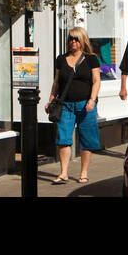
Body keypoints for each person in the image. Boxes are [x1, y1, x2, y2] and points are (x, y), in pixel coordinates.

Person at [45, 26, 101, 184]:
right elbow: (56, 82)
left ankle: (83, 172)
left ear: (83, 40)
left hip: (85, 105)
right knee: (63, 139)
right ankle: (63, 173)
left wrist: (92, 99)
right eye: (71, 38)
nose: (73, 41)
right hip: (66, 105)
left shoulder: (91, 59)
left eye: (76, 39)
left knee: (87, 140)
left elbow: (96, 81)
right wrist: (50, 100)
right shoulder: (61, 59)